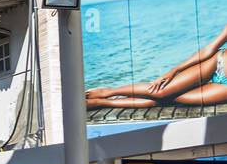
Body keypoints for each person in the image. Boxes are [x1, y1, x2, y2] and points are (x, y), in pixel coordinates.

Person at [86, 24, 227, 109]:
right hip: (217, 61)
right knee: (161, 92)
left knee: (165, 100)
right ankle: (109, 92)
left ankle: (103, 103)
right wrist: (174, 70)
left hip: (224, 87)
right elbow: (210, 48)